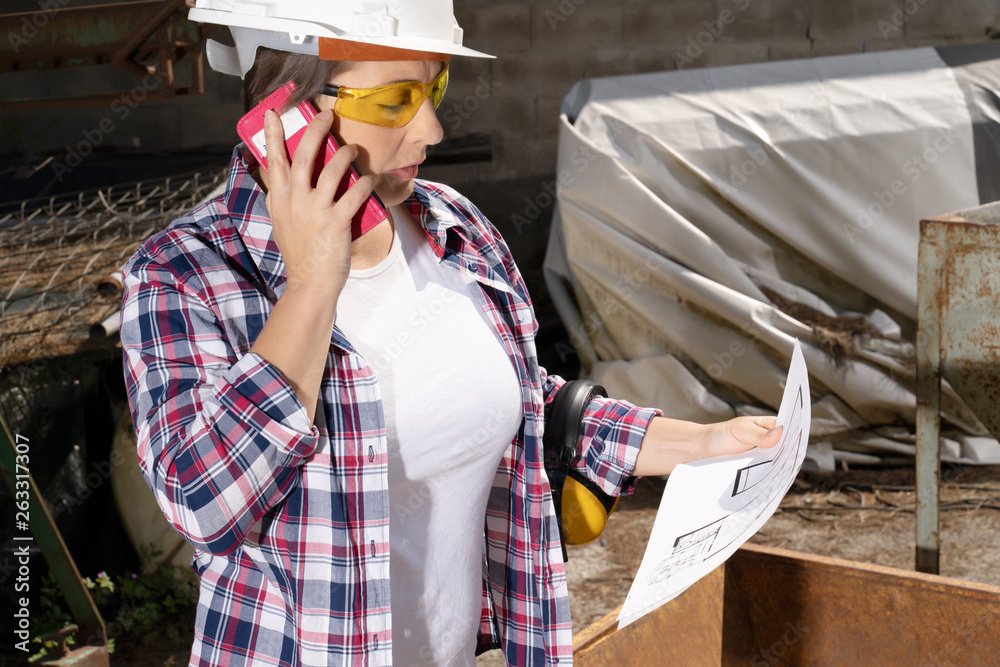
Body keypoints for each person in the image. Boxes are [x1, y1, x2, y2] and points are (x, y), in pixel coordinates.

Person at [120, 2, 781, 665]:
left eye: (434, 88)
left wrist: (697, 443)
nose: (429, 128)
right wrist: (313, 287)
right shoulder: (184, 273)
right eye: (395, 100)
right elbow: (201, 500)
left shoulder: (455, 229)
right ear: (283, 115)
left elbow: (518, 398)